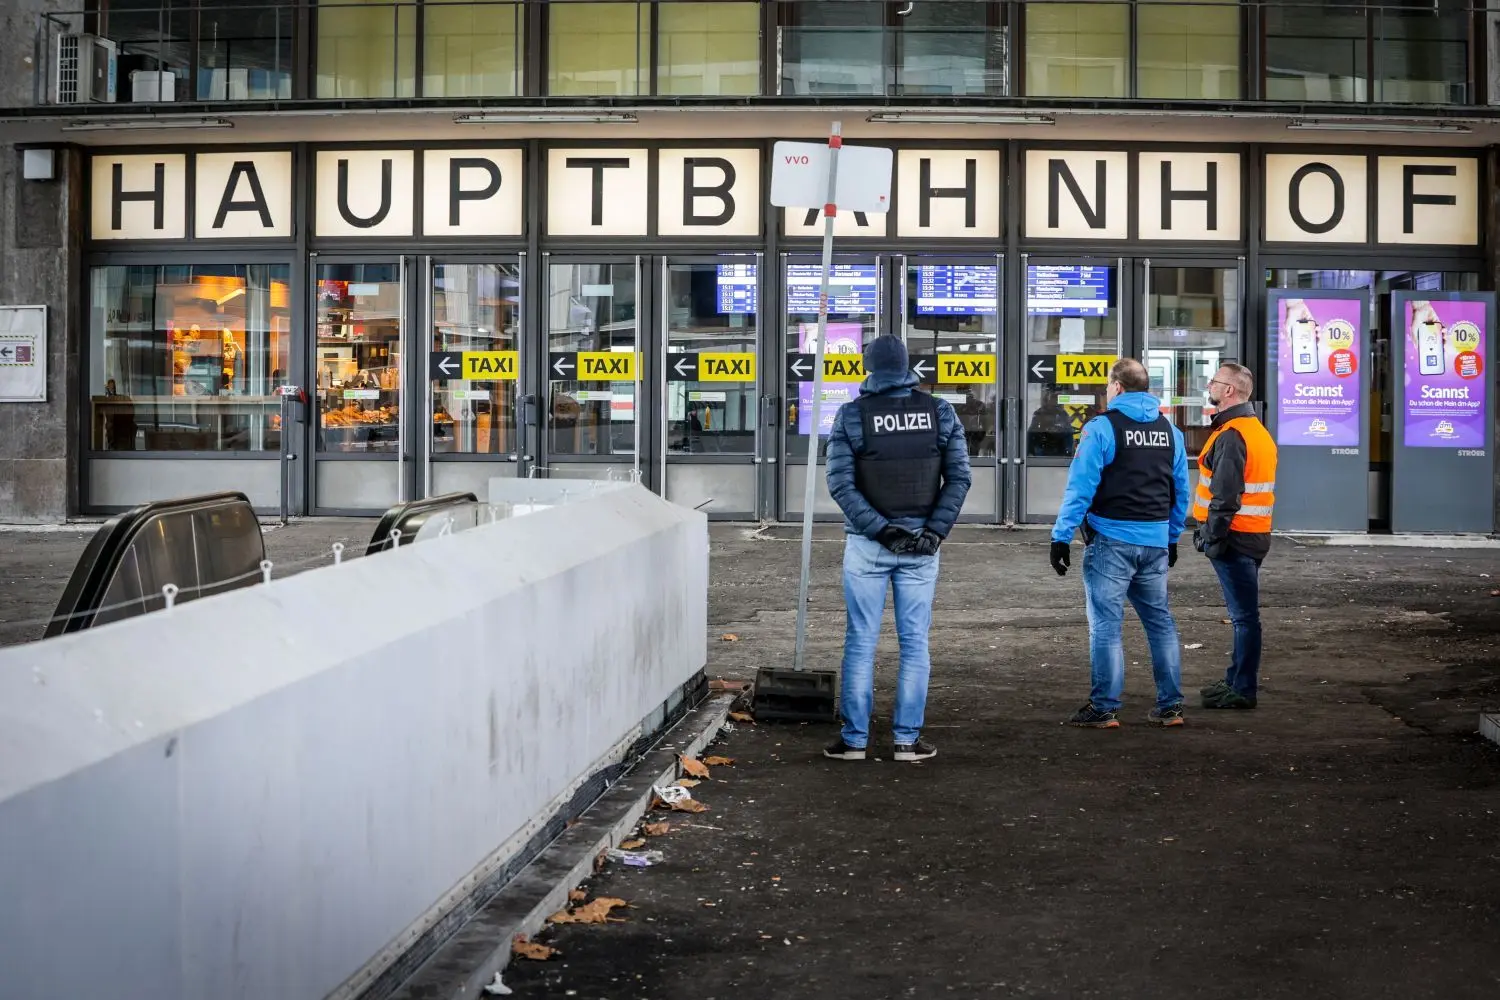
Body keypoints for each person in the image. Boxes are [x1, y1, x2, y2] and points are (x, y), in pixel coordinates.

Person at [823, 335, 971, 763]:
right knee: (914, 642)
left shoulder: (851, 415)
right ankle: (906, 742)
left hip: (867, 547)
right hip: (922, 547)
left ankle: (854, 741)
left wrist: (880, 530)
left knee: (860, 641)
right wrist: (935, 532)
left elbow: (840, 484)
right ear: (907, 367)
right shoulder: (940, 412)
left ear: (868, 369)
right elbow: (959, 478)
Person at [1049, 358, 1190, 729]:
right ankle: (1171, 706)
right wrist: (1172, 536)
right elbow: (1181, 492)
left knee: (1106, 626)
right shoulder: (1169, 431)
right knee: (1160, 623)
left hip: (1111, 541)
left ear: (1117, 387)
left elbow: (1081, 487)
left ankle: (1104, 708)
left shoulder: (1101, 428)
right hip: (1155, 541)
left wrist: (1061, 536)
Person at [1193, 363, 1278, 710]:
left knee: (1245, 618)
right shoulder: (1254, 430)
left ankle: (1243, 689)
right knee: (1244, 616)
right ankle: (1235, 680)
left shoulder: (1232, 435)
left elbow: (1225, 496)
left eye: (1215, 382)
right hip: (1252, 535)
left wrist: (1210, 538)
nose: (1210, 386)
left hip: (1234, 539)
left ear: (1229, 391)